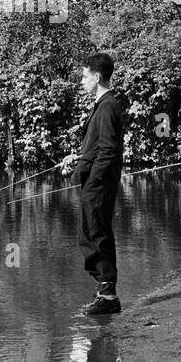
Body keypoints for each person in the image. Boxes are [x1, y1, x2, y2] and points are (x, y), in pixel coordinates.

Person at [60, 52, 127, 315]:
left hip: (98, 185)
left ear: (97, 77)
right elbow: (98, 147)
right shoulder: (103, 105)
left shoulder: (108, 105)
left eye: (85, 76)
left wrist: (93, 179)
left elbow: (109, 151)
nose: (81, 81)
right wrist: (78, 158)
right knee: (89, 234)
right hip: (94, 182)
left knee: (96, 234)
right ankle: (104, 290)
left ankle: (108, 296)